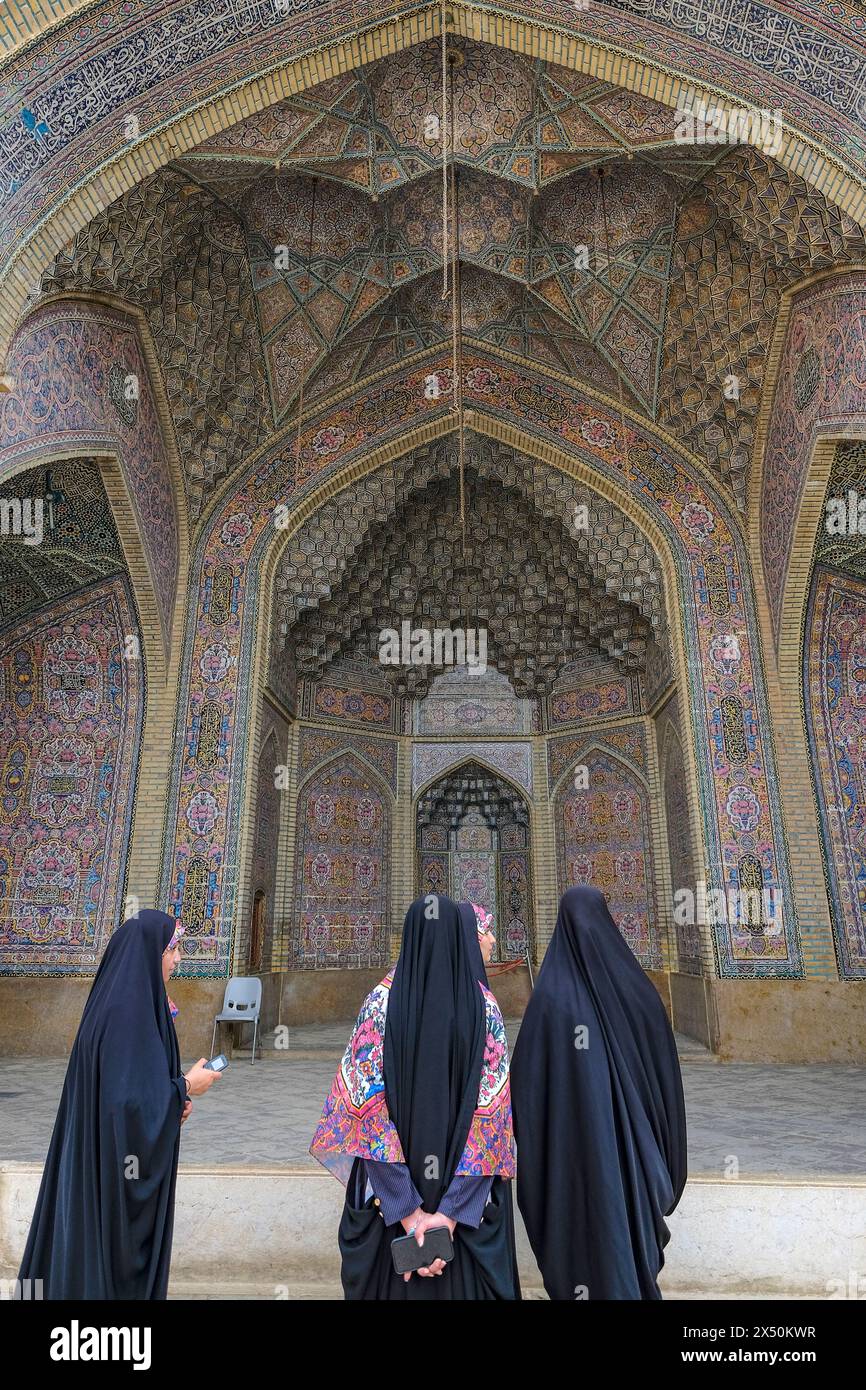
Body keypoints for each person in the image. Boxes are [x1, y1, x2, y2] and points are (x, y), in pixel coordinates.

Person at [310, 894, 520, 1299]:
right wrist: (447, 1219)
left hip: (389, 1223)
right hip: (465, 1226)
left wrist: (408, 1214)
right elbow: (490, 1122)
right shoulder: (485, 1008)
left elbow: (364, 1114)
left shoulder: (377, 1005)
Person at [17, 909, 220, 1299]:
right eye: (173, 948)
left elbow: (127, 1092)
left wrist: (172, 1098)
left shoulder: (117, 1002)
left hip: (99, 1161)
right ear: (150, 951)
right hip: (112, 1174)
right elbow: (126, 1103)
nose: (177, 959)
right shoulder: (128, 1013)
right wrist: (184, 1088)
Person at [511, 885, 687, 1300]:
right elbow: (665, 1077)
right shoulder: (639, 993)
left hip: (570, 1167)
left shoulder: (550, 1000)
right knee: (623, 1221)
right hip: (636, 1166)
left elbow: (525, 1087)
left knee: (581, 1229)